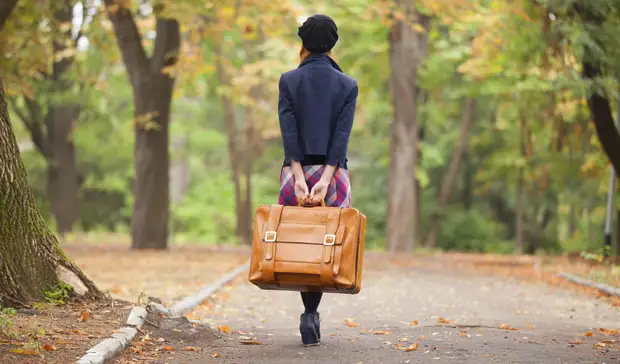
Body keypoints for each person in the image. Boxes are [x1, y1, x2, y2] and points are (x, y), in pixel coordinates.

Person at [277, 14, 359, 346]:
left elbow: (289, 134)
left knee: (300, 241)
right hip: (333, 172)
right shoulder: (348, 85)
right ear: (332, 45)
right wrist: (325, 180)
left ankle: (308, 311)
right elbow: (341, 139)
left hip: (295, 171)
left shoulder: (288, 80)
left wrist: (299, 177)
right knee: (325, 242)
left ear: (303, 43)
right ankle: (311, 313)